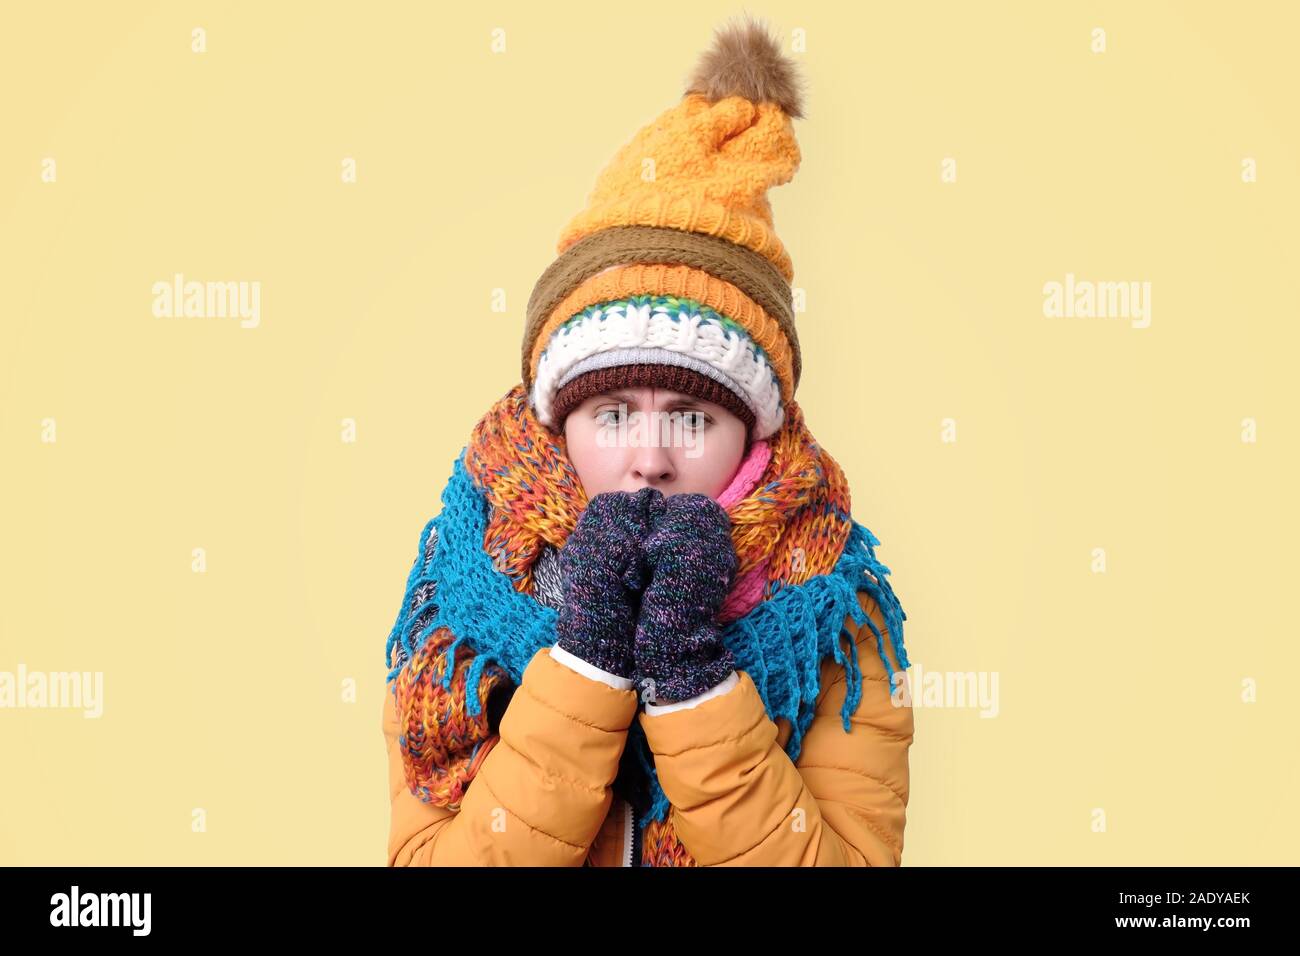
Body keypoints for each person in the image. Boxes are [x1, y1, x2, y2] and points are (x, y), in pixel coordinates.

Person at [382, 14, 914, 867]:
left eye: (694, 417)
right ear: (559, 426)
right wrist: (583, 667)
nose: (651, 454)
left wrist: (693, 686)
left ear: (755, 434)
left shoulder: (830, 606)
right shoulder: (467, 589)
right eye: (613, 412)